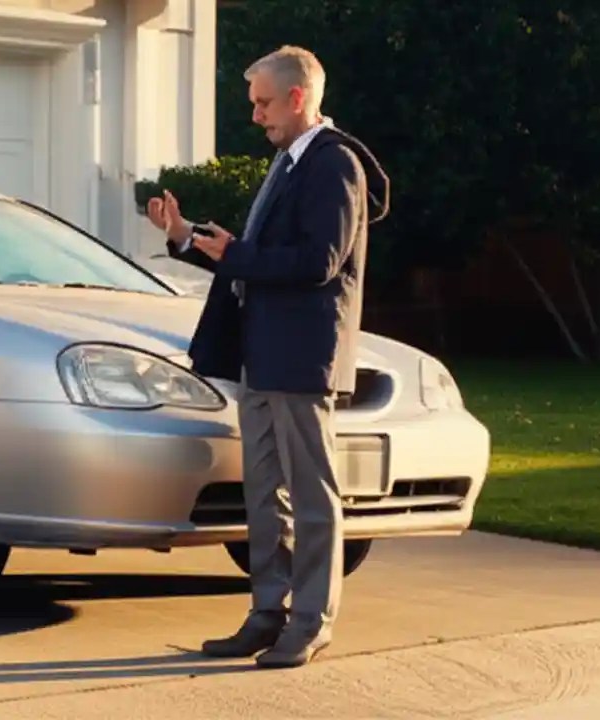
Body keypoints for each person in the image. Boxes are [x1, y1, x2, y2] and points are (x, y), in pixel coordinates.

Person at [147, 45, 390, 668]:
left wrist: (235, 255)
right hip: (262, 356)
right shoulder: (289, 163)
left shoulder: (333, 165)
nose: (255, 117)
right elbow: (256, 252)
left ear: (297, 97)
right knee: (265, 495)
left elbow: (318, 263)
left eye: (261, 103)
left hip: (302, 359)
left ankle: (311, 622)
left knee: (312, 496)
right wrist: (186, 239)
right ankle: (267, 613)